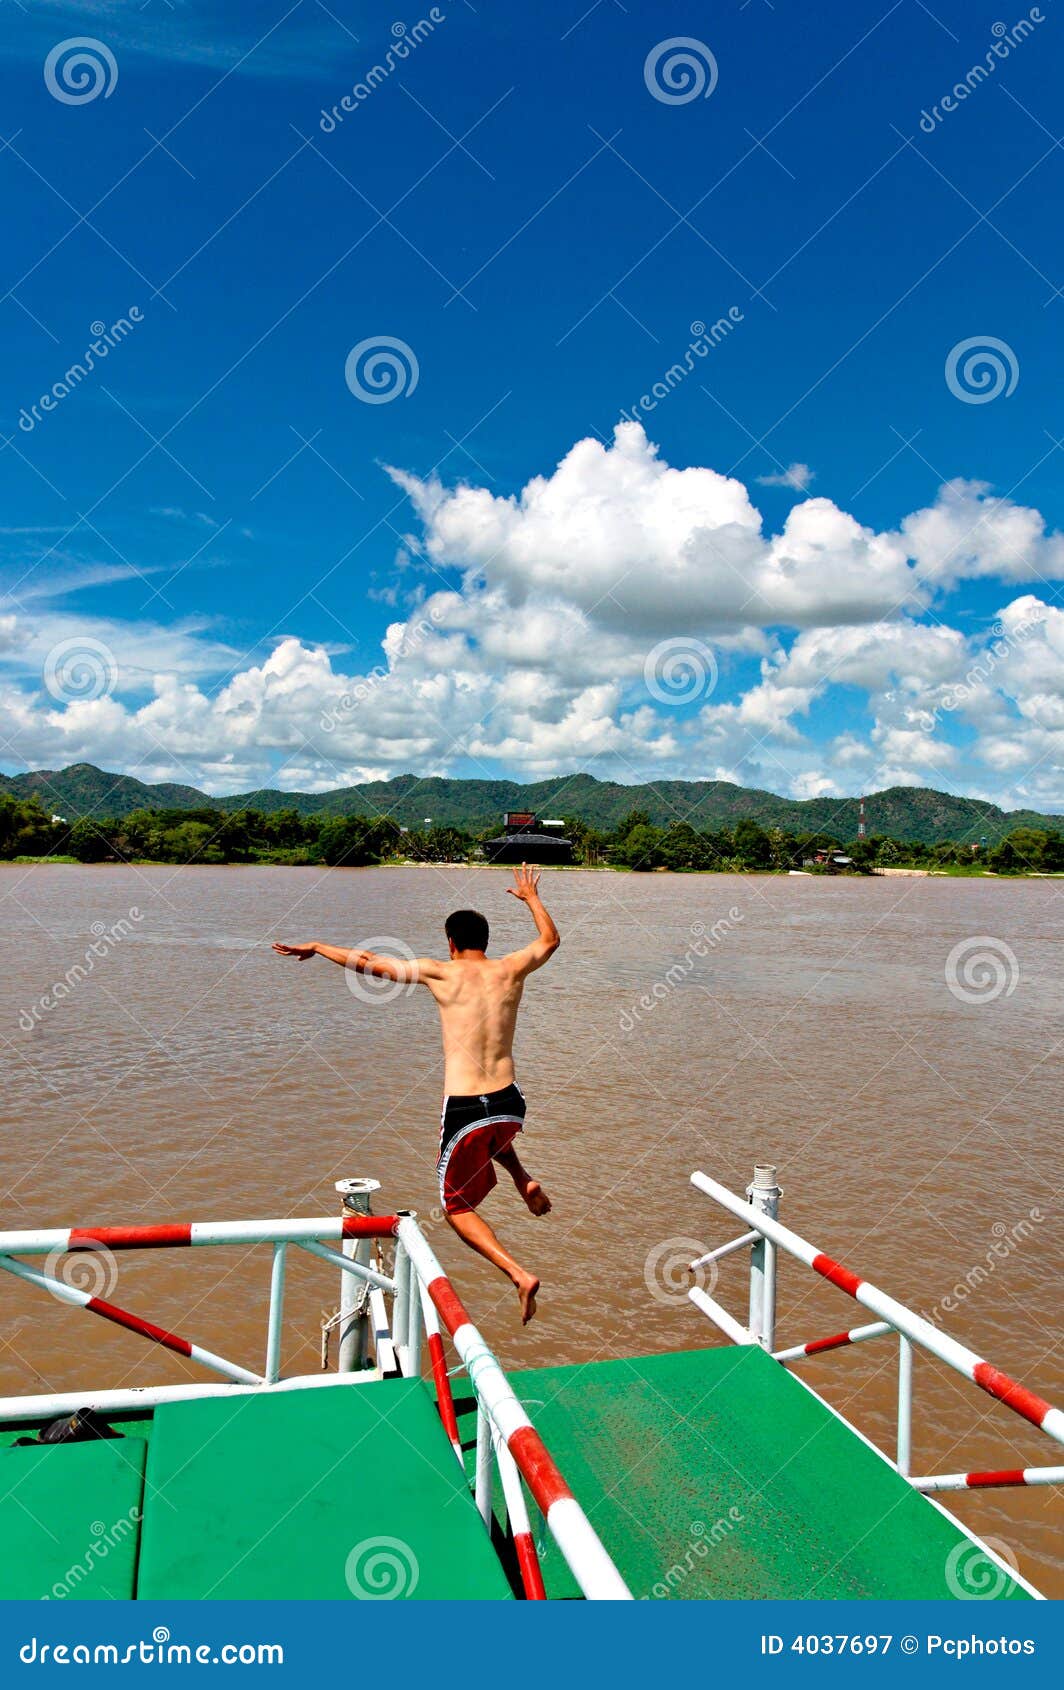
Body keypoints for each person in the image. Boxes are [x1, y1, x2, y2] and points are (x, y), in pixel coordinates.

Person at [272, 864, 559, 1323]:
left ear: (450, 941)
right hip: (510, 1101)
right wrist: (530, 900)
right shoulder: (510, 968)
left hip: (466, 1105)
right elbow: (549, 941)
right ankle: (522, 1179)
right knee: (493, 1135)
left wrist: (320, 946)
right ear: (485, 940)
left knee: (454, 1206)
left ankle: (518, 1274)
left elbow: (370, 964)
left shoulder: (439, 972)